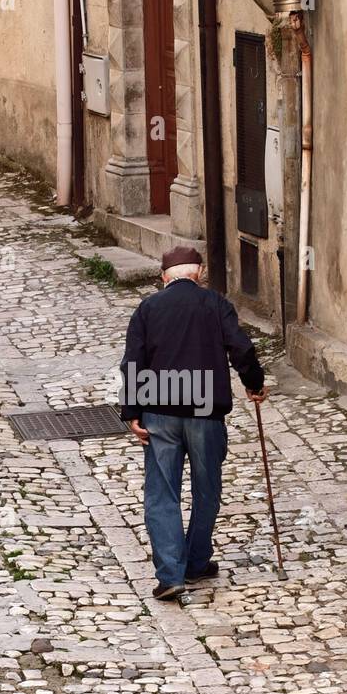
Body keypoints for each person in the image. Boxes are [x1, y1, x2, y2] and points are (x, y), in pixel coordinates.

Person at [119, 245, 266, 602]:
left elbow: (133, 362)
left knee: (162, 492)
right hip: (205, 409)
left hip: (161, 408)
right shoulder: (215, 304)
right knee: (207, 489)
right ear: (199, 274)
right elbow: (242, 348)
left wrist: (132, 411)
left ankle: (170, 574)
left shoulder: (148, 308)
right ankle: (197, 561)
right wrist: (254, 383)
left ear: (164, 278)